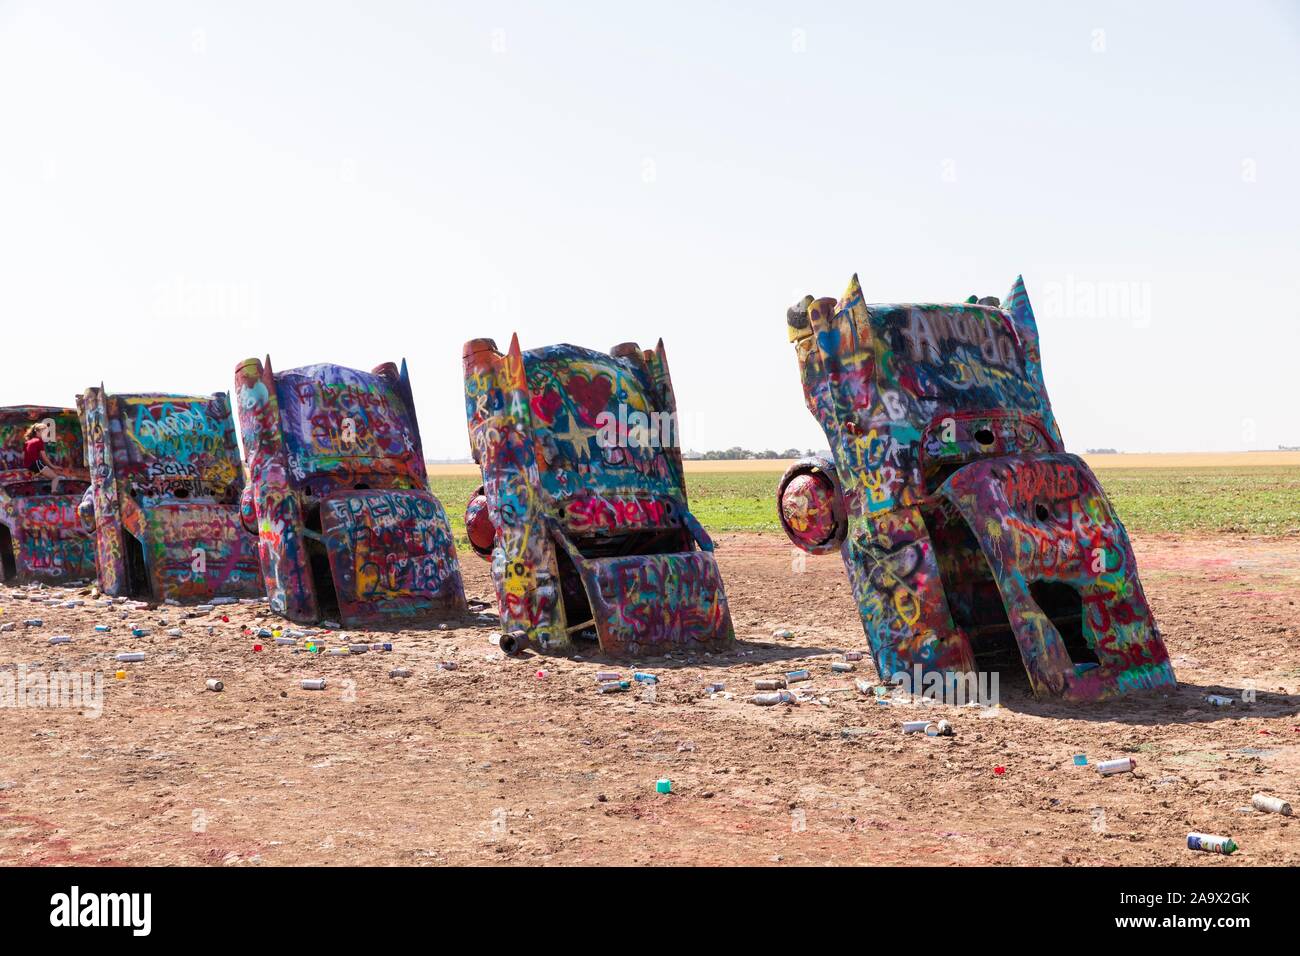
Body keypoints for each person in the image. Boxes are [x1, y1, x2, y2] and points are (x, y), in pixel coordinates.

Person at [23, 424, 64, 493]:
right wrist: (53, 467)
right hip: (36, 464)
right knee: (55, 477)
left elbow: (23, 456)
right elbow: (44, 457)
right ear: (37, 432)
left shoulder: (27, 442)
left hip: (28, 466)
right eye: (44, 432)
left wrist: (27, 468)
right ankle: (54, 491)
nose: (45, 435)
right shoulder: (39, 441)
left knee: (42, 477)